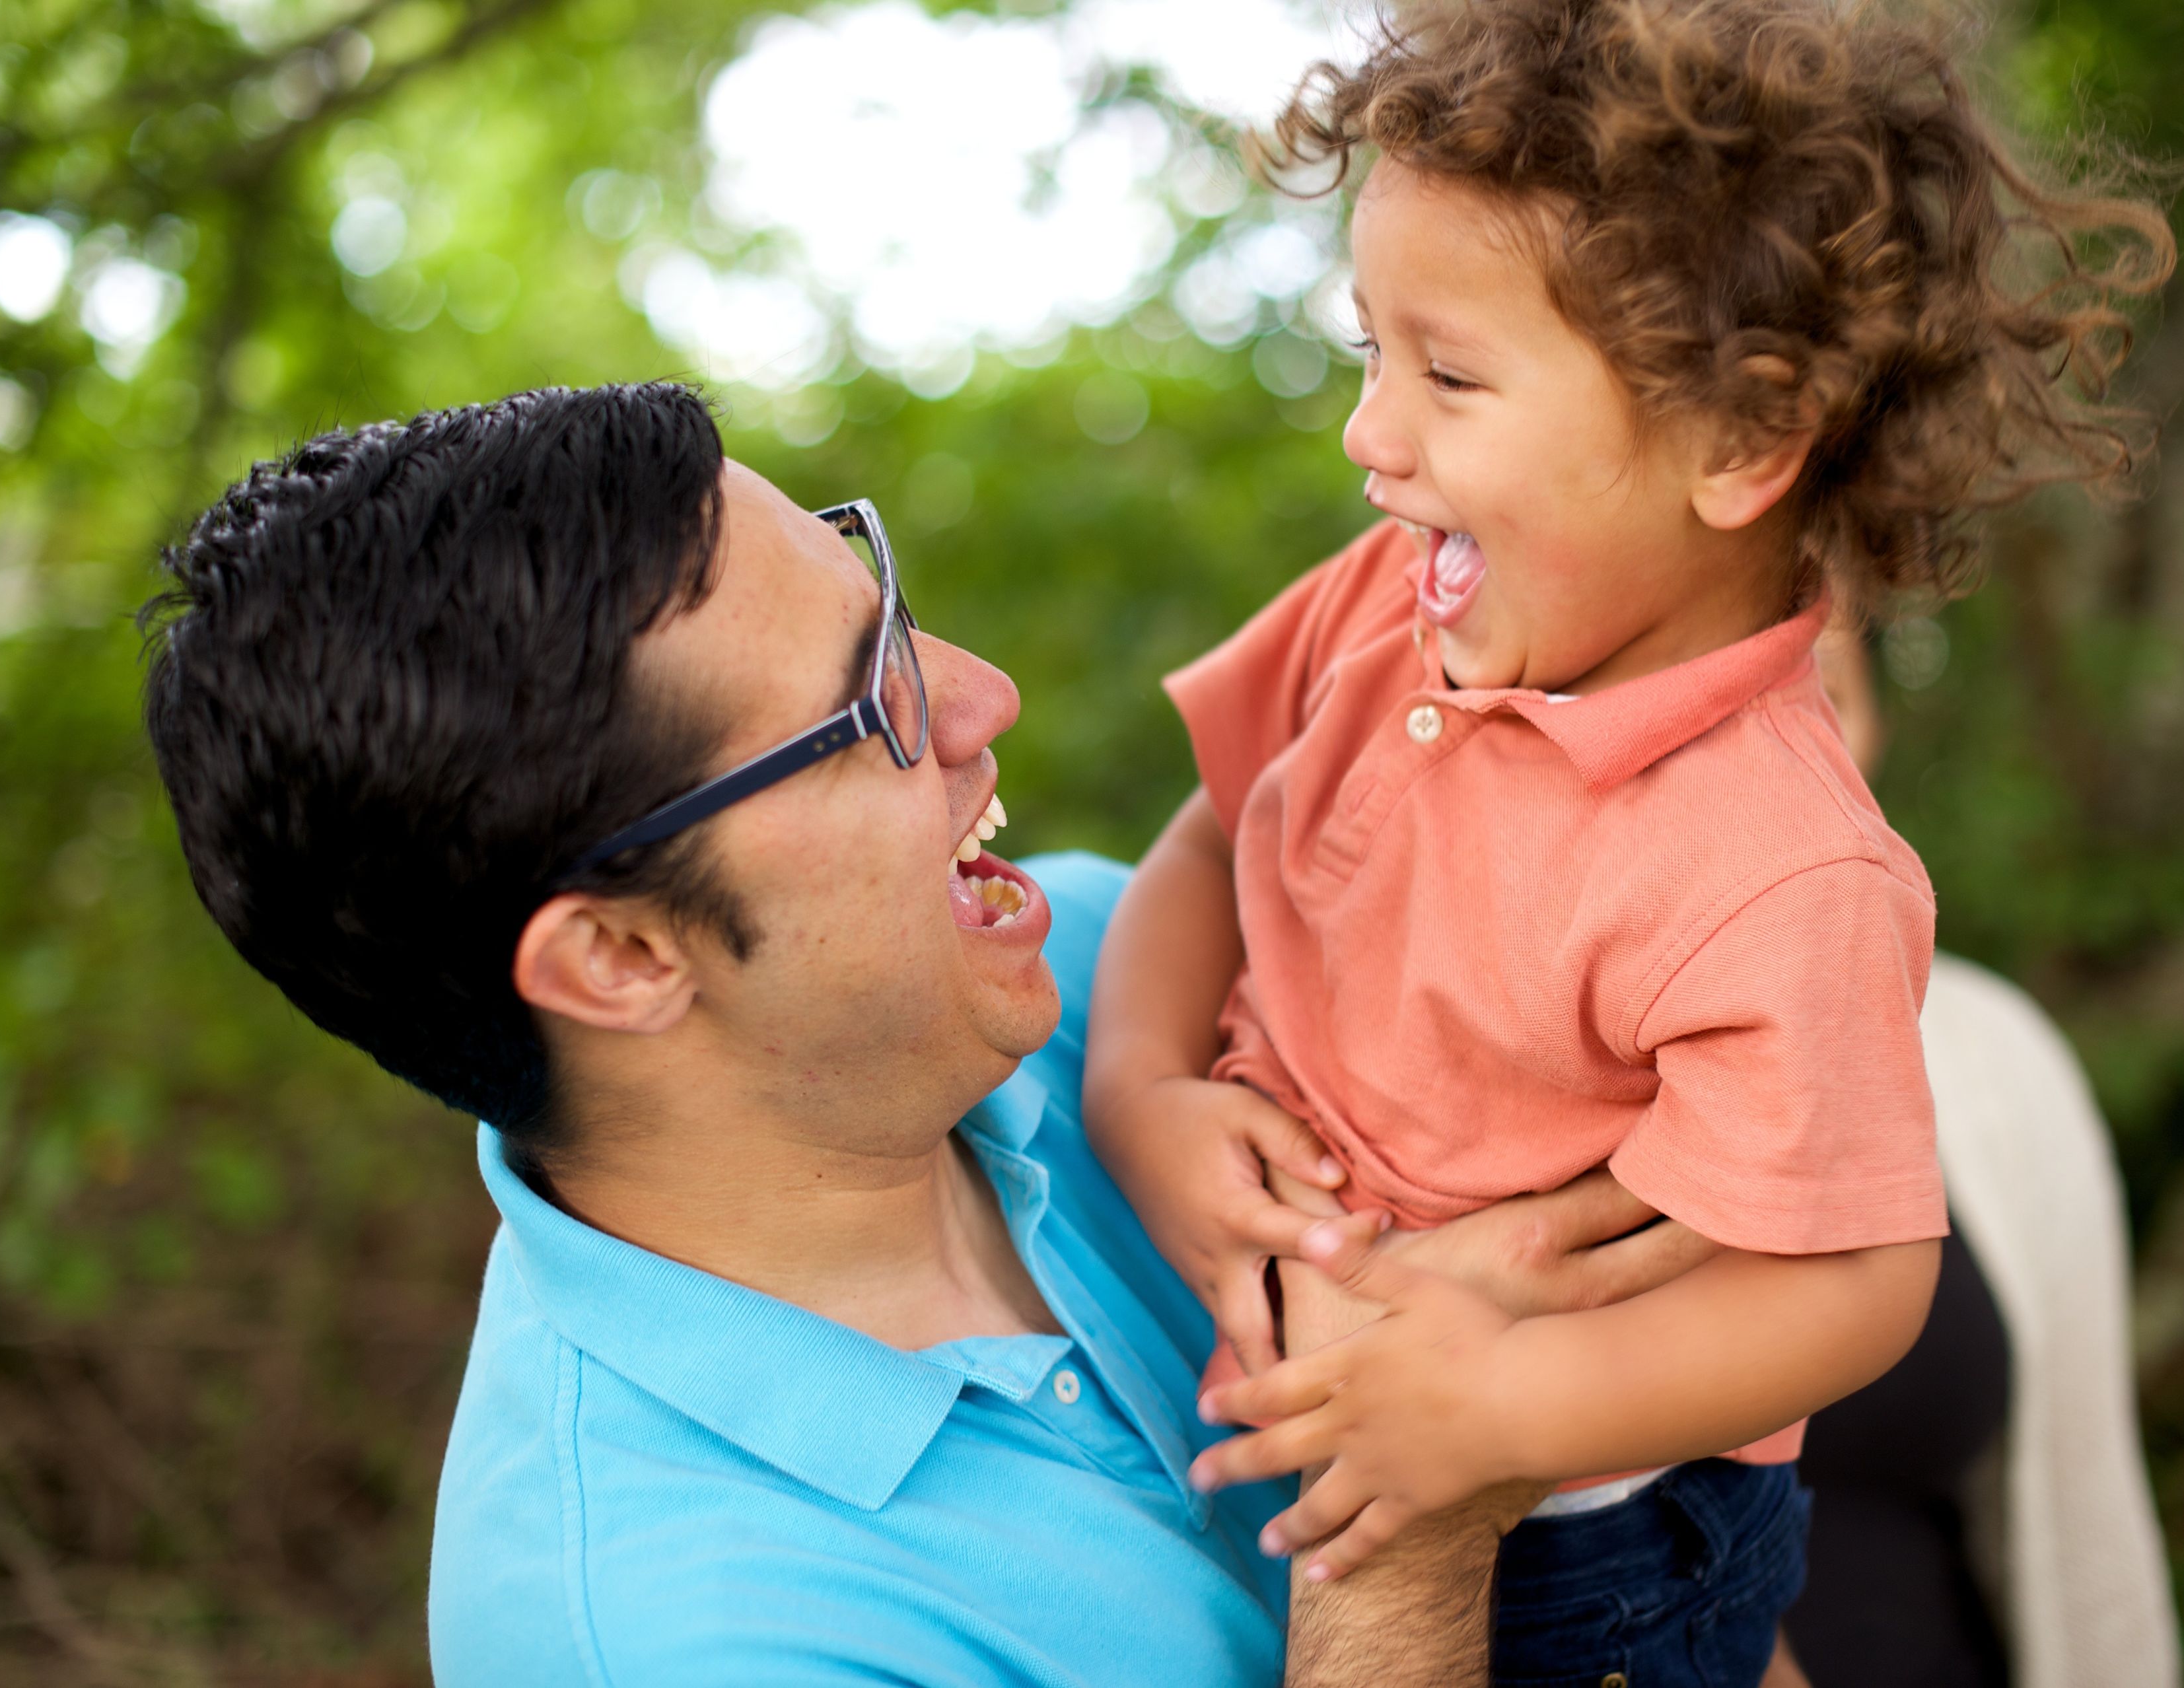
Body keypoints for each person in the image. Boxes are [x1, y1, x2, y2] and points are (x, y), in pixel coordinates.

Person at [135, 380, 1718, 1686]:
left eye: (885, 598)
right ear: (619, 955)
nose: (980, 698)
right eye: (868, 701)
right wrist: (1415, 1543)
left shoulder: (1106, 970)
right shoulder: (669, 1638)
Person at [1081, 0, 2175, 1678]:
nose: (1372, 436)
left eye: (1448, 374)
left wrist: (1505, 1406)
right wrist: (1142, 1093)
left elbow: (1853, 1285)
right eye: (1370, 350)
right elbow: (1208, 844)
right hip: (1277, 1417)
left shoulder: (1779, 863)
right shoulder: (1388, 607)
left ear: (1741, 441)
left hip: (1588, 1556)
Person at [1777, 637, 2183, 1688]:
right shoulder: (1513, 1050)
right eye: (1726, 686)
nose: (1780, 733)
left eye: (1821, 690)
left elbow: (2090, 1511)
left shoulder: (1998, 1056)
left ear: (1874, 732)